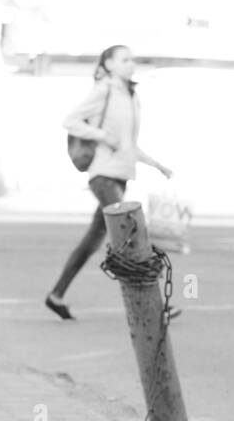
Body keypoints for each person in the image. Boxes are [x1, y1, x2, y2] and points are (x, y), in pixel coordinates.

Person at [46, 44, 173, 320]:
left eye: (132, 60)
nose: (131, 64)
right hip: (102, 174)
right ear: (110, 64)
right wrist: (102, 136)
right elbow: (70, 121)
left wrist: (156, 164)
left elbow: (129, 144)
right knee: (130, 233)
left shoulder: (132, 96)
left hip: (120, 175)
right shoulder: (104, 90)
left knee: (92, 242)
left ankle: (56, 295)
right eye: (125, 60)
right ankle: (152, 307)